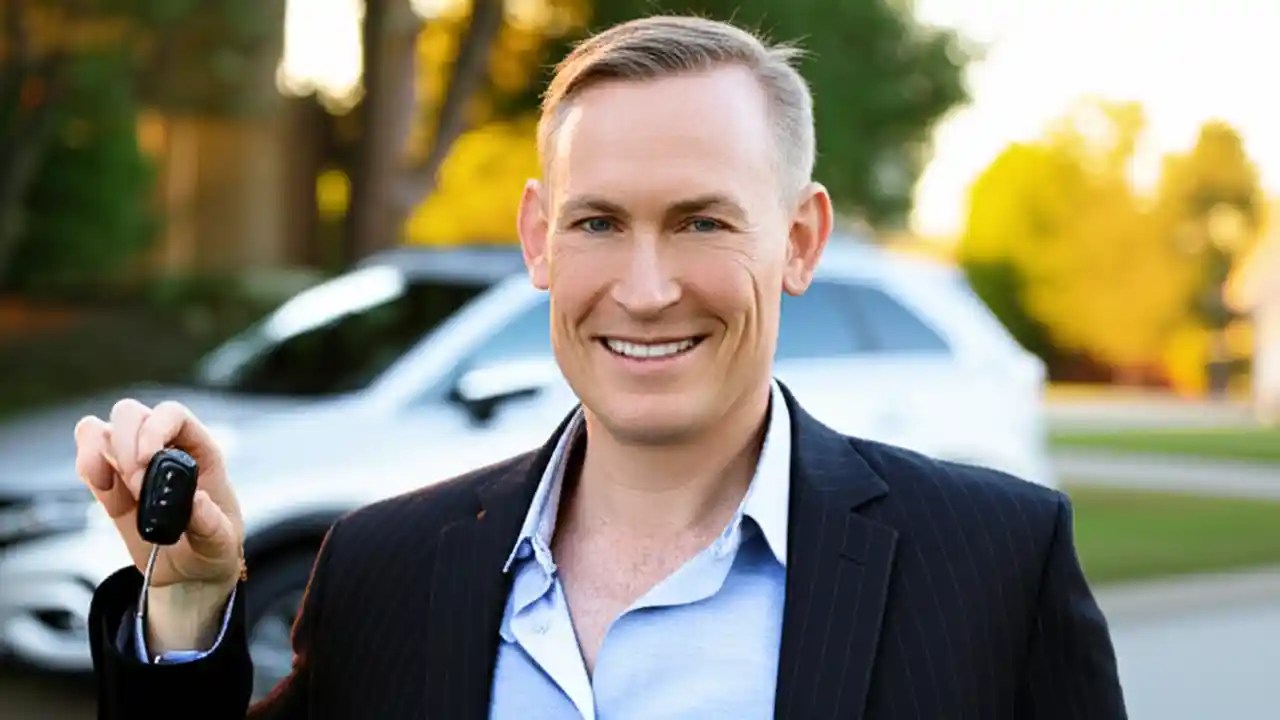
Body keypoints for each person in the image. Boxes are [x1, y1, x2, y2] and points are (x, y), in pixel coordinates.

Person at [76, 15, 1127, 720]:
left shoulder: (994, 566)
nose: (645, 286)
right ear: (538, 239)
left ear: (800, 240)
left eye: (703, 221)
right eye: (597, 222)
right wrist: (189, 602)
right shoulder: (384, 569)